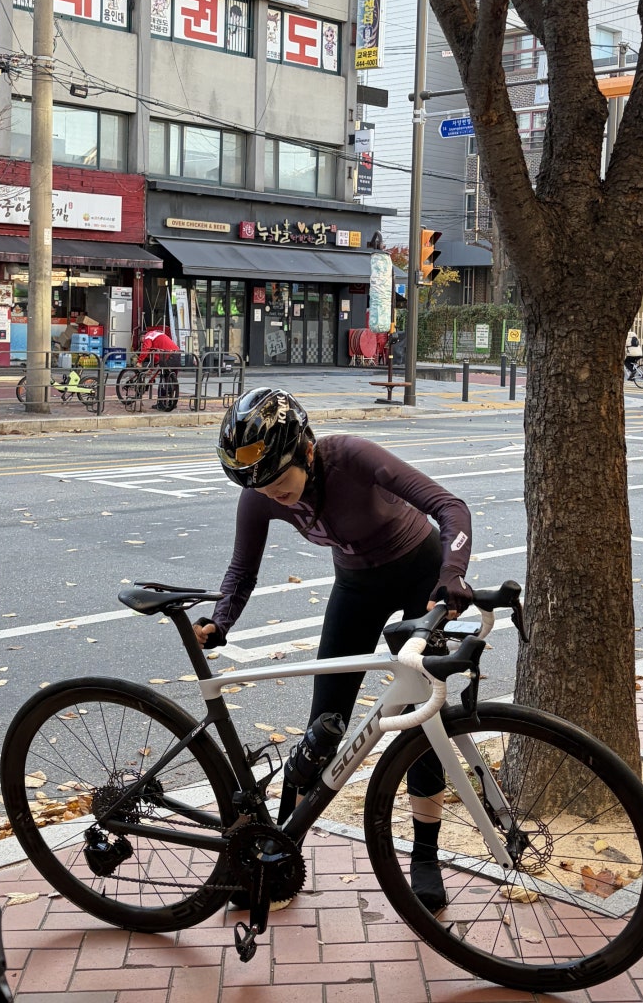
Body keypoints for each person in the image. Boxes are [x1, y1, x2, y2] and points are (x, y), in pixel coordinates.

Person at [194, 387, 474, 914]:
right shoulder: (257, 492)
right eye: (261, 487)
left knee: (423, 720)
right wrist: (221, 622)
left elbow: (449, 506)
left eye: (280, 482)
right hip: (356, 586)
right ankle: (278, 853)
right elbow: (242, 568)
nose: (274, 496)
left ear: (304, 450)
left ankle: (426, 856)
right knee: (323, 723)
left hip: (420, 575)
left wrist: (452, 575)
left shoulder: (350, 456)